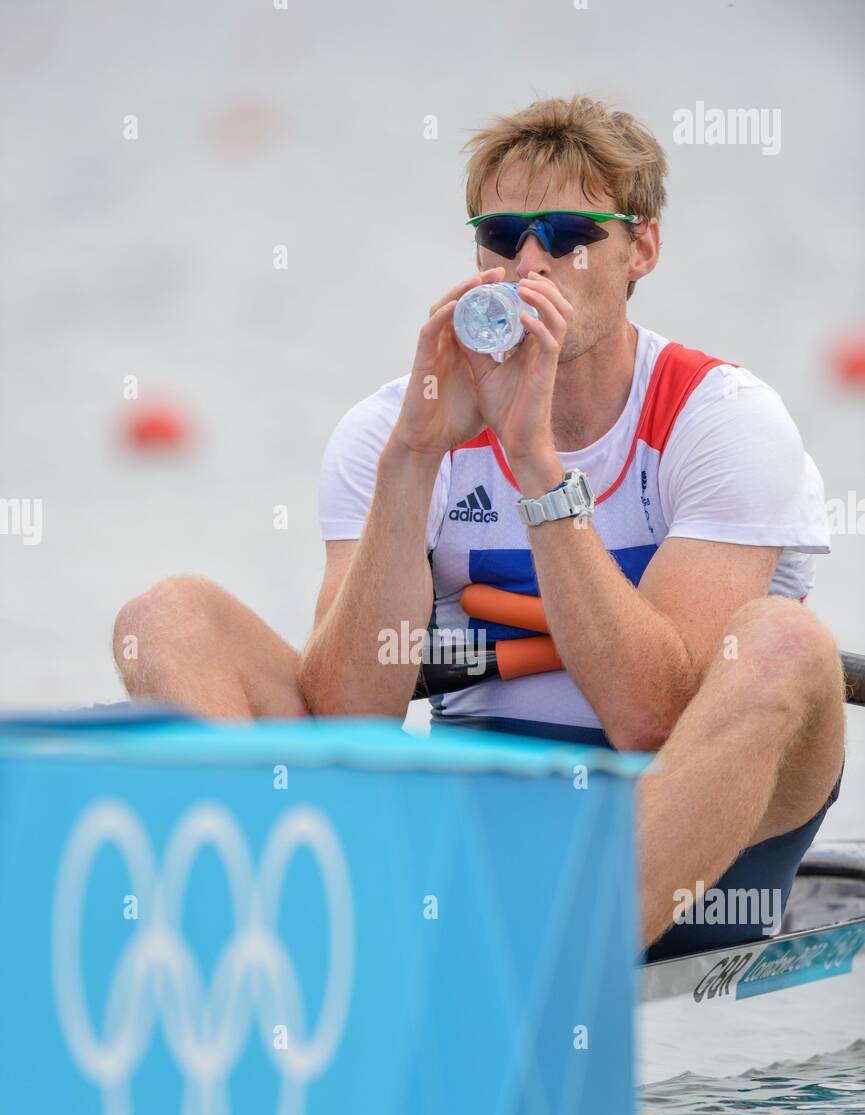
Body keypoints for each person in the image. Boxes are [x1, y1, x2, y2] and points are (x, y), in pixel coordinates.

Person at [113, 95, 844, 956]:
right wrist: (415, 459)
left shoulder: (720, 419)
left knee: (784, 642)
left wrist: (535, 465)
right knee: (165, 617)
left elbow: (651, 721)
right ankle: (286, 939)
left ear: (640, 248)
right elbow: (350, 721)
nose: (529, 263)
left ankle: (555, 966)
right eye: (503, 237)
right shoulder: (392, 429)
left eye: (567, 234)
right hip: (489, 822)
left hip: (709, 846)